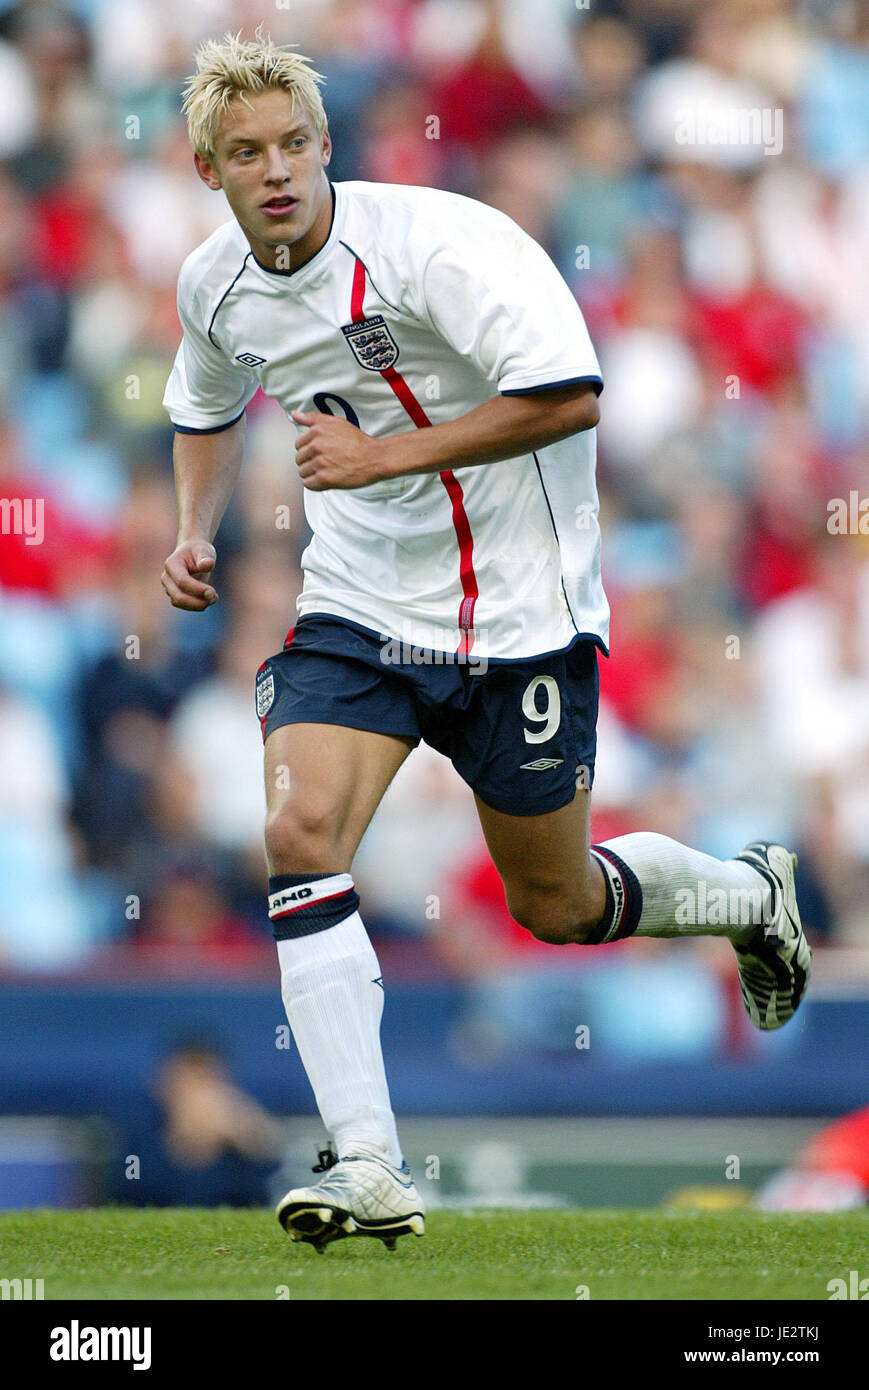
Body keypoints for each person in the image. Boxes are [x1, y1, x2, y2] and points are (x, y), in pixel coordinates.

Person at [160, 28, 811, 1253]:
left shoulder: (438, 247)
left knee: (554, 906)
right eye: (247, 153)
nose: (278, 169)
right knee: (298, 830)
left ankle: (742, 893)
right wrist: (193, 530)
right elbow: (200, 399)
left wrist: (375, 456)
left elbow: (569, 389)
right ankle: (368, 1166)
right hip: (357, 603)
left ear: (325, 143)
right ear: (209, 171)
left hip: (519, 610)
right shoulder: (214, 283)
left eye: (295, 141)